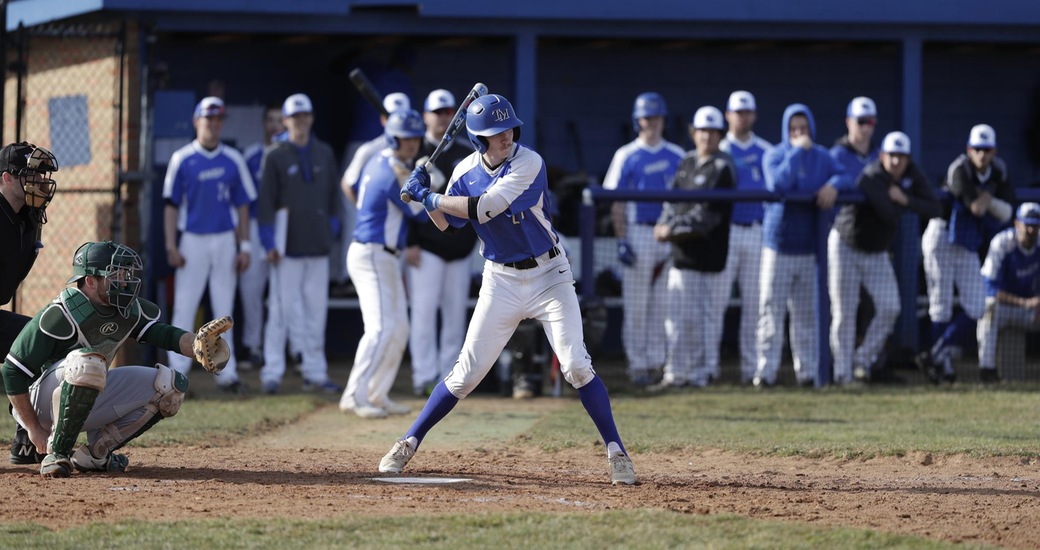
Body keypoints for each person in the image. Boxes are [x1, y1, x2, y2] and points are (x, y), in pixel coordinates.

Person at [385, 93, 636, 485]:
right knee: (465, 375)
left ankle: (617, 451)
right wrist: (427, 197)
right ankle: (409, 441)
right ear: (478, 140)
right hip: (500, 279)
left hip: (549, 275)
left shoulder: (529, 162)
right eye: (495, 134)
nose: (506, 138)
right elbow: (448, 226)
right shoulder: (465, 171)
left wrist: (427, 195)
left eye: (508, 130)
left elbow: (485, 207)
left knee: (575, 366)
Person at [1, 241, 225, 477]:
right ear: (90, 281)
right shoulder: (61, 313)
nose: (125, 281)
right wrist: (33, 429)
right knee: (87, 363)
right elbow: (12, 371)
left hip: (89, 385)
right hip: (44, 407)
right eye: (116, 275)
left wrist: (199, 344)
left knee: (170, 386)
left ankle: (95, 454)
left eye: (125, 274)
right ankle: (57, 453)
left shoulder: (125, 309)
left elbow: (165, 334)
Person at [828, 132, 940, 384]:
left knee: (891, 307)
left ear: (908, 159)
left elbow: (934, 207)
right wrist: (906, 203)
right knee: (844, 312)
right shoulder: (871, 175)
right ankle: (842, 374)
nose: (896, 162)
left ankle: (862, 360)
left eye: (901, 157)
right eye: (891, 156)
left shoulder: (912, 174)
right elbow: (889, 214)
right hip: (847, 245)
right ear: (882, 156)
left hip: (876, 251)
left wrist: (905, 198)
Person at [338, 108, 428, 419]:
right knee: (380, 328)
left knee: (399, 327)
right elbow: (419, 211)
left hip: (385, 256)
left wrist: (418, 173)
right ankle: (353, 395)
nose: (412, 144)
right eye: (406, 138)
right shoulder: (389, 170)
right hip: (372, 254)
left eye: (416, 138)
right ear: (393, 138)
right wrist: (429, 179)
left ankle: (377, 394)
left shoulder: (387, 162)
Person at [162, 97, 254, 393]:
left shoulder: (233, 159)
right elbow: (171, 205)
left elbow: (242, 206)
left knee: (224, 310)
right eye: (208, 119)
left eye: (217, 119)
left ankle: (227, 373)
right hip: (192, 239)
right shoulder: (182, 158)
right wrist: (171, 245)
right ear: (196, 121)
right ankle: (176, 375)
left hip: (225, 239)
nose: (213, 124)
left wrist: (245, 246)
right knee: (185, 307)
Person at [753, 103, 848, 388]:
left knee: (806, 316)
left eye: (803, 128)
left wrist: (834, 185)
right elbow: (778, 184)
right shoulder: (775, 154)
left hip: (810, 248)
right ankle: (765, 374)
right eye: (793, 128)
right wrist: (797, 151)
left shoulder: (822, 156)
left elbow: (846, 175)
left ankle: (806, 373)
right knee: (770, 312)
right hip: (778, 246)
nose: (799, 133)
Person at [256, 93, 344, 394]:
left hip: (317, 247)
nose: (300, 121)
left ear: (311, 117)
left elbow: (334, 195)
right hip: (286, 249)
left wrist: (333, 225)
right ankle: (272, 372)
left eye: (304, 115)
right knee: (280, 311)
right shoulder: (275, 154)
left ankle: (315, 373)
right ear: (286, 120)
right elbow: (265, 202)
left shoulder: (324, 152)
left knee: (315, 313)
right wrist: (268, 239)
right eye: (294, 116)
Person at [918, 124, 1014, 383]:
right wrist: (990, 198)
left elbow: (1008, 211)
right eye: (977, 149)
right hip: (942, 234)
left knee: (978, 303)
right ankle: (944, 369)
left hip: (967, 240)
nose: (982, 155)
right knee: (941, 305)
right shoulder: (959, 168)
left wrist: (989, 199)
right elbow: (977, 208)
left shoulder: (999, 170)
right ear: (969, 149)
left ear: (994, 151)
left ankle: (934, 355)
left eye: (986, 150)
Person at [602, 92, 685, 386]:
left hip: (666, 233)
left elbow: (685, 203)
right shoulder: (626, 154)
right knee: (636, 305)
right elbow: (616, 203)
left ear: (663, 120)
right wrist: (622, 239)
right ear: (638, 120)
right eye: (647, 118)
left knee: (663, 305)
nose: (652, 123)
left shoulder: (676, 155)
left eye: (656, 117)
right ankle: (637, 365)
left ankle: (657, 362)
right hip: (637, 231)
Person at [653, 106, 735, 388]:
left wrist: (671, 229)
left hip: (709, 259)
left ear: (720, 135)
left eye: (712, 132)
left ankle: (700, 375)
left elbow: (707, 217)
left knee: (703, 322)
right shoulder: (686, 162)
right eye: (702, 131)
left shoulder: (723, 167)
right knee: (675, 319)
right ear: (694, 133)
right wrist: (665, 222)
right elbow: (672, 201)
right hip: (681, 257)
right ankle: (675, 373)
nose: (707, 137)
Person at [404, 89, 478, 396]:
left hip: (459, 247)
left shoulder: (466, 150)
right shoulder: (414, 151)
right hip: (427, 248)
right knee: (422, 312)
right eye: (438, 112)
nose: (444, 117)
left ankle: (449, 379)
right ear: (426, 116)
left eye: (448, 112)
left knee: (454, 314)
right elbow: (404, 203)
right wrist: (410, 242)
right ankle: (423, 375)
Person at [0, 142, 58, 465]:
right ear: (7, 179)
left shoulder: (30, 216)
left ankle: (26, 439)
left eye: (41, 174)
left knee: (43, 342)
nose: (39, 181)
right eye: (30, 175)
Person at [715, 91, 772, 384]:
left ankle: (752, 370)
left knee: (755, 304)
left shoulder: (766, 151)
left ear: (754, 115)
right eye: (738, 112)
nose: (743, 116)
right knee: (717, 302)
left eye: (747, 111)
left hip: (756, 231)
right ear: (728, 115)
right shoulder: (719, 149)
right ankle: (710, 368)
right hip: (727, 234)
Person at [239, 102, 286, 369]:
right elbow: (242, 201)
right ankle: (253, 347)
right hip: (256, 225)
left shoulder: (290, 153)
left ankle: (287, 350)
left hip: (281, 226)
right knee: (251, 291)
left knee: (282, 293)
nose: (274, 125)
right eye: (270, 119)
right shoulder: (251, 154)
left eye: (279, 120)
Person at [977, 203, 1040, 382]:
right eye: (1026, 224)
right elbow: (989, 288)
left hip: (1034, 312)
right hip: (1007, 308)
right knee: (988, 308)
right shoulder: (1002, 243)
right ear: (1016, 223)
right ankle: (987, 370)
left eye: (1035, 225)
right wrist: (1025, 303)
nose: (1030, 230)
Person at [830, 97, 880, 187]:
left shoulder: (880, 157)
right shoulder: (835, 156)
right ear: (848, 122)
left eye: (870, 122)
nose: (866, 127)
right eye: (861, 121)